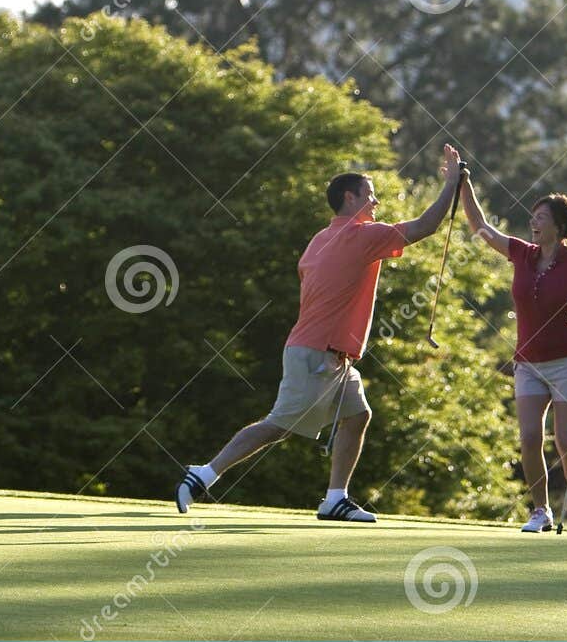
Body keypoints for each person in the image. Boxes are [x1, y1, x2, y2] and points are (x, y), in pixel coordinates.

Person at [175, 144, 466, 522]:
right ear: (351, 198)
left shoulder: (320, 239)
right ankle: (203, 475)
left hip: (330, 354)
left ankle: (335, 499)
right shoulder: (361, 235)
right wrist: (452, 183)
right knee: (277, 426)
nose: (376, 201)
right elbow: (426, 227)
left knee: (358, 415)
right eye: (370, 194)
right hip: (317, 353)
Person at [458, 176, 567, 535]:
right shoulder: (522, 252)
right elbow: (481, 227)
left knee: (565, 440)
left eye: (541, 218)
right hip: (527, 363)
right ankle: (540, 511)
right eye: (533, 217)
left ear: (560, 227)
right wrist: (464, 183)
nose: (533, 222)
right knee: (529, 439)